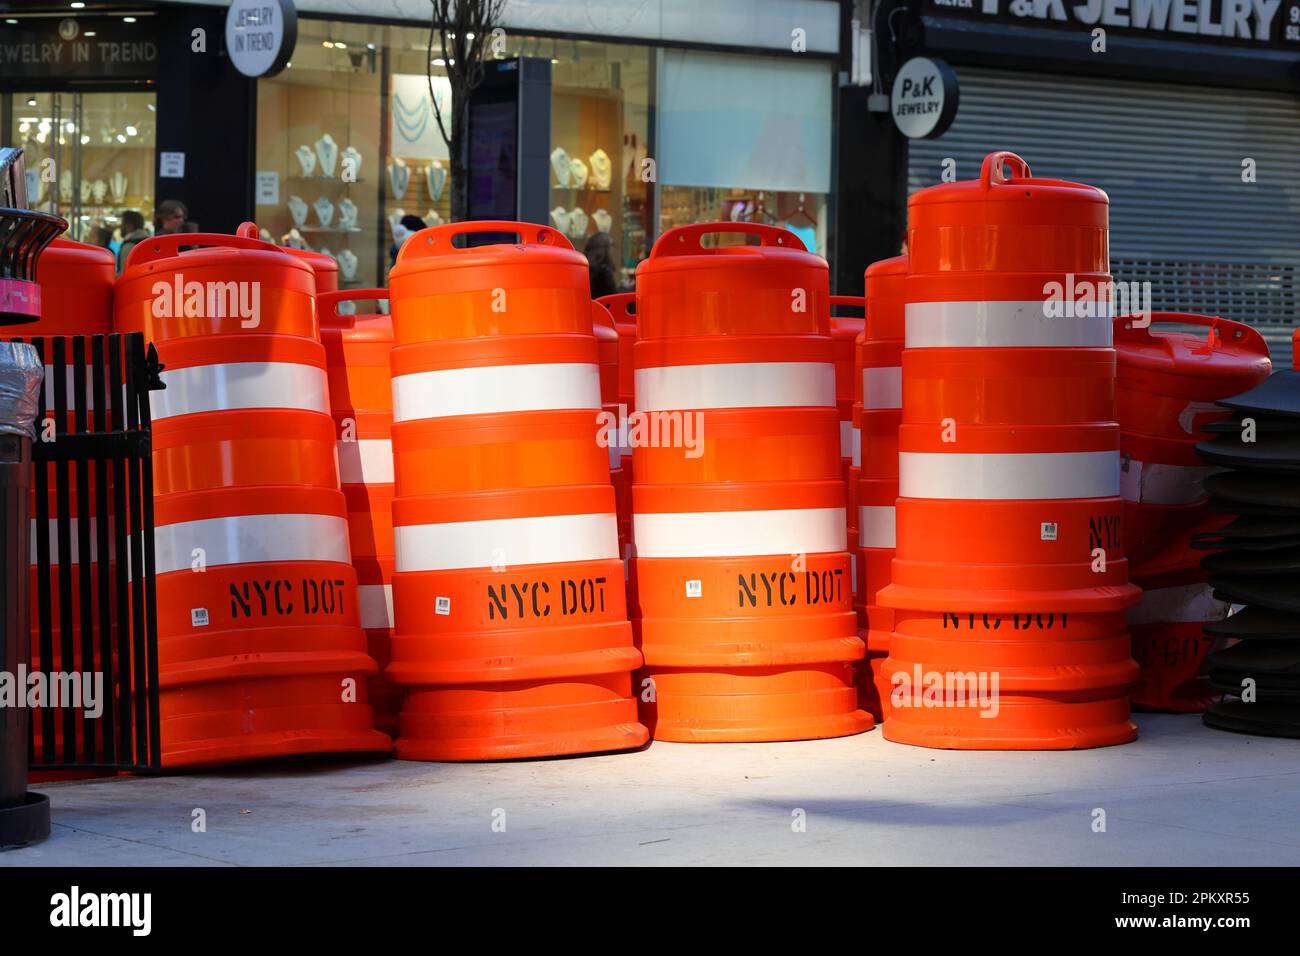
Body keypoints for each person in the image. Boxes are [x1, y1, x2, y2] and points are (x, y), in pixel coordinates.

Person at [585, 232, 619, 300]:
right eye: (612, 244)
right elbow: (615, 299)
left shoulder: (584, 268)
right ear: (605, 248)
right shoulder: (604, 272)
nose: (613, 248)